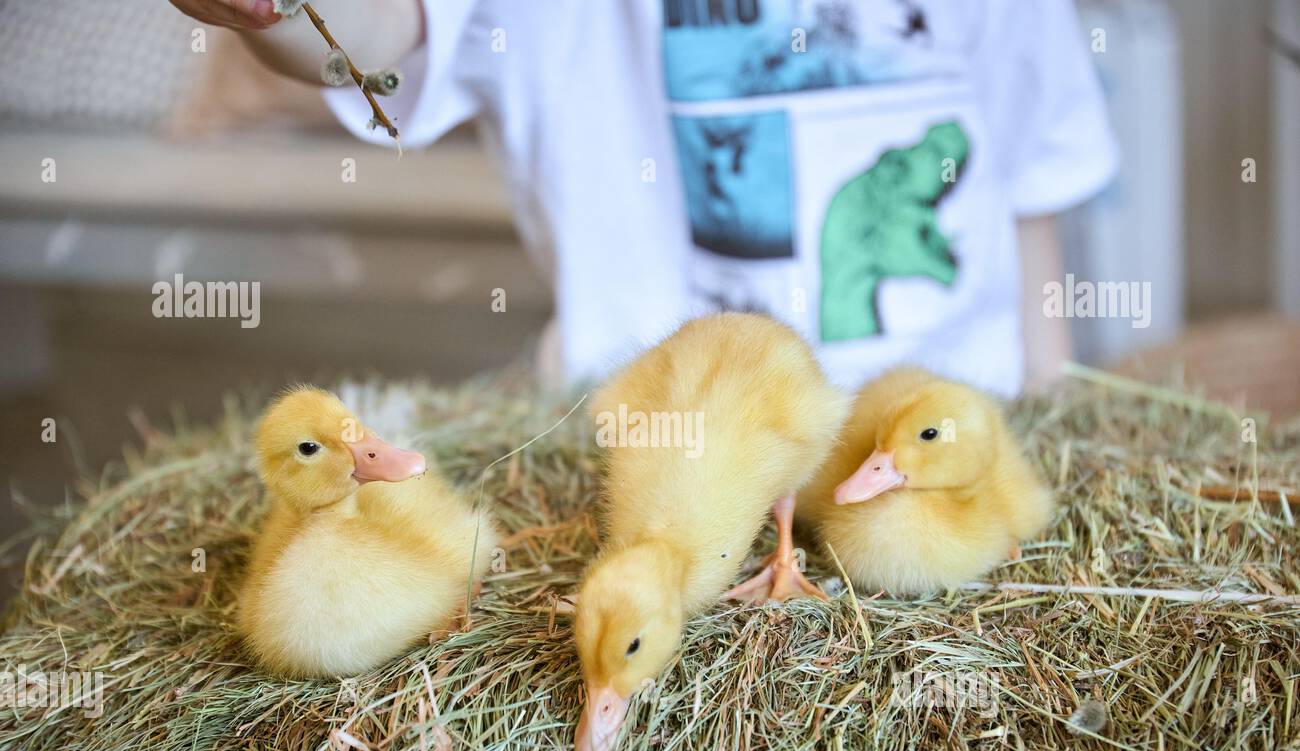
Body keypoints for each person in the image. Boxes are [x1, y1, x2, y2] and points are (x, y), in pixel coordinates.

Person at [170, 0, 1117, 395]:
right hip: (640, 444)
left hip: (938, 429)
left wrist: (1051, 402)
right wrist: (286, 11)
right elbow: (377, 31)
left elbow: (1030, 186)